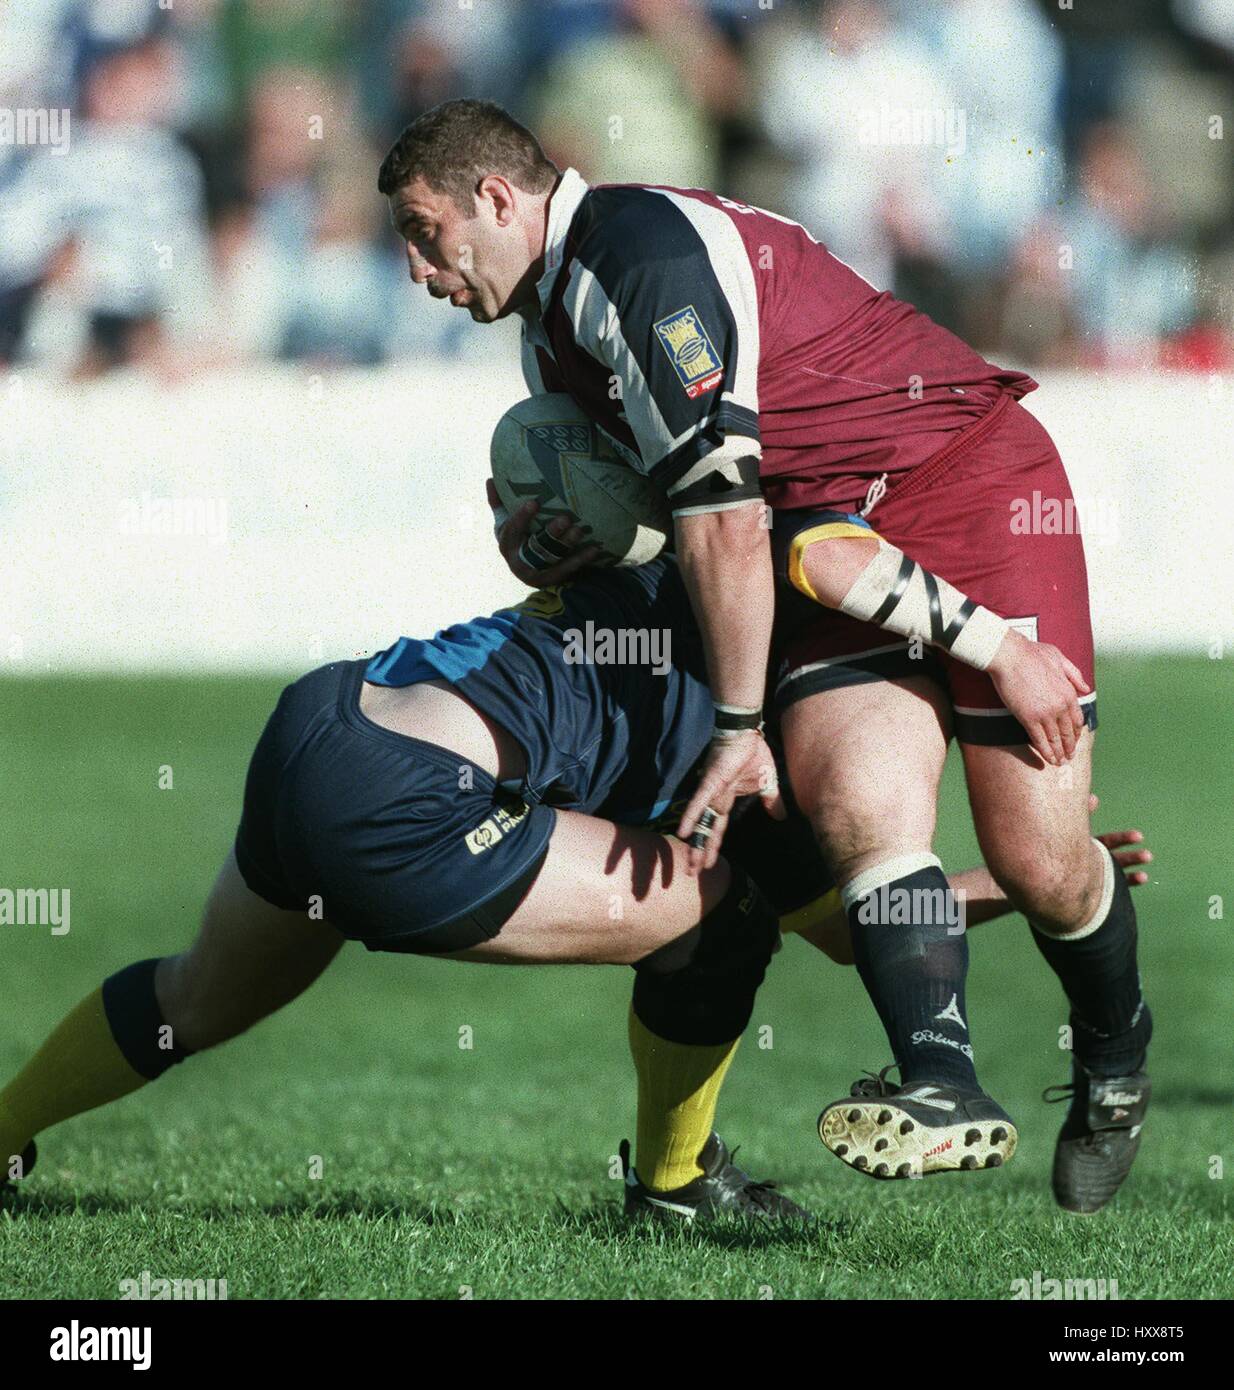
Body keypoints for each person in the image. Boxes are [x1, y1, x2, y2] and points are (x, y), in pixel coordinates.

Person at [376, 99, 1152, 1211]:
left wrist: (737, 733)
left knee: (1037, 858)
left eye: (422, 230)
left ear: (497, 199)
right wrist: (557, 549)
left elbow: (723, 523)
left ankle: (1116, 1053)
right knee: (853, 805)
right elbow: (672, 529)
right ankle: (941, 1082)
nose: (417, 268)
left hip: (970, 487)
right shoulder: (551, 330)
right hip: (823, 545)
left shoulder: (634, 261)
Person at [0, 557, 1152, 1211]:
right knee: (722, 915)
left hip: (325, 722)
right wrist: (1014, 878)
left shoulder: (671, 582)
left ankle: (1, 1132)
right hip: (405, 805)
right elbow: (851, 930)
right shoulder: (768, 729)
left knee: (196, 999)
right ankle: (672, 1183)